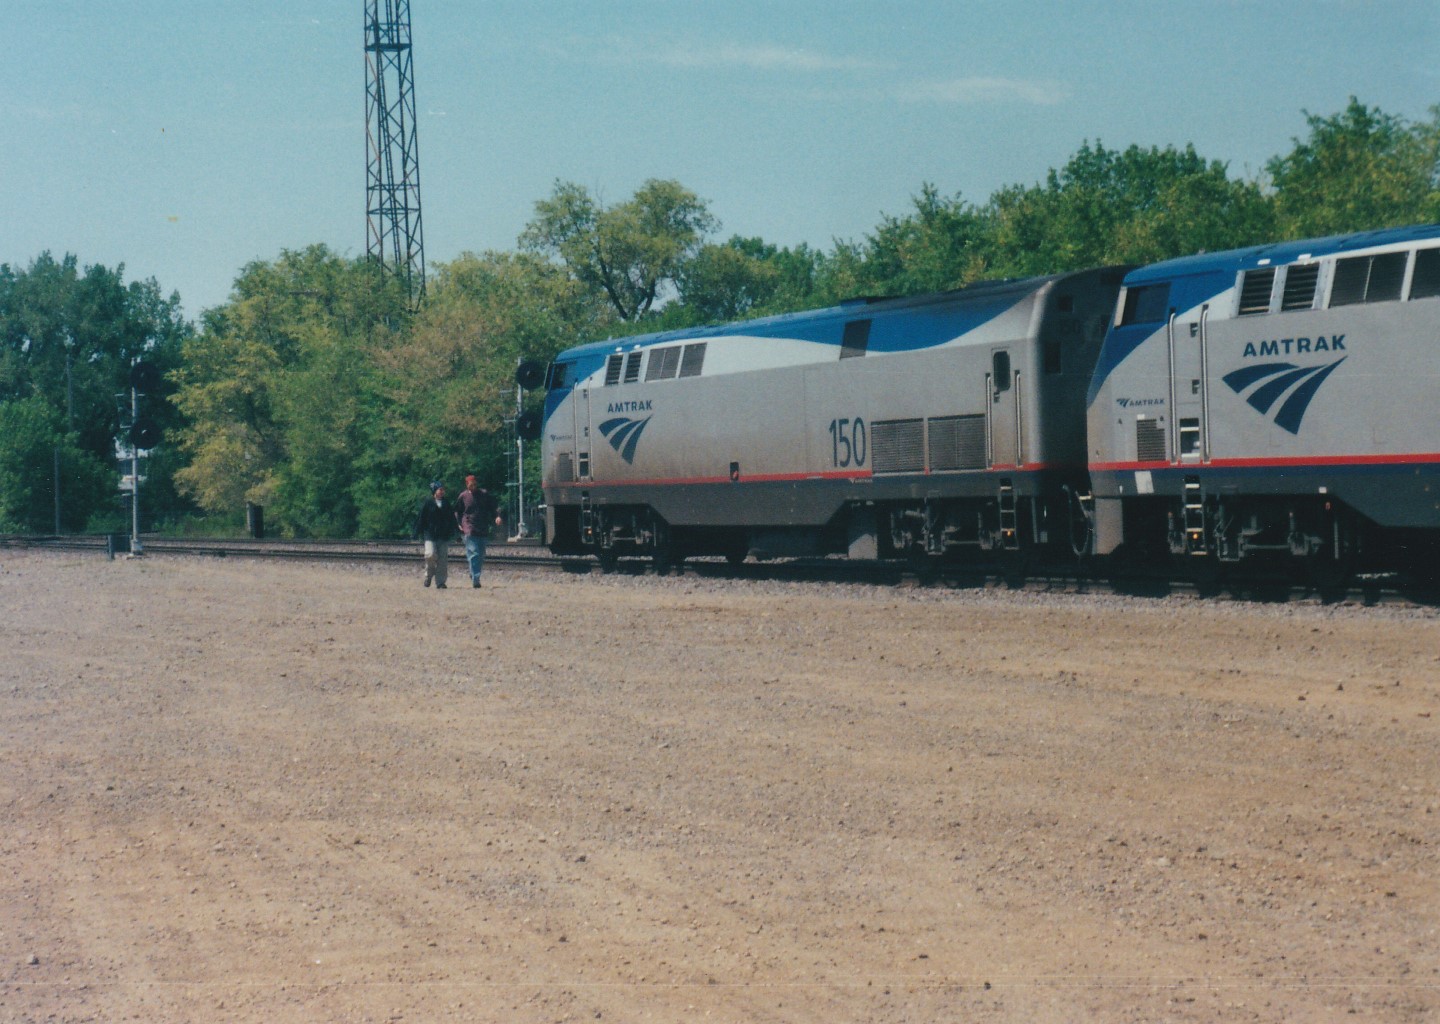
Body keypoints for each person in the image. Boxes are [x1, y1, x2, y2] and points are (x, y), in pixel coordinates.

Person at [455, 474, 502, 588]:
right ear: (467, 485)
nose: (473, 487)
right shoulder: (463, 496)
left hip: (482, 527)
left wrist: (497, 516)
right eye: (471, 485)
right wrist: (459, 523)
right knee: (474, 553)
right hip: (469, 527)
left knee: (480, 555)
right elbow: (457, 511)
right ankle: (476, 579)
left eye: (475, 484)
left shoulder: (484, 494)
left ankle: (473, 573)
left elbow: (493, 506)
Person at [413, 480, 457, 588]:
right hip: (430, 534)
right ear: (434, 491)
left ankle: (440, 582)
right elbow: (421, 518)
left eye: (443, 489)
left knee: (442, 559)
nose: (442, 491)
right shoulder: (428, 503)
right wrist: (416, 532)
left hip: (443, 535)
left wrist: (456, 533)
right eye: (440, 489)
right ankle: (429, 575)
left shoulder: (446, 503)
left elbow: (452, 519)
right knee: (430, 554)